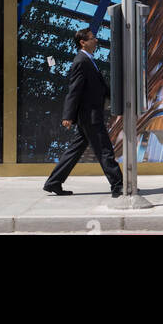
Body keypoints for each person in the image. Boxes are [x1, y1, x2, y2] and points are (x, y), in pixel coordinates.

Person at [43, 26, 123, 197]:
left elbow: (100, 87)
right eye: (92, 38)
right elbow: (75, 90)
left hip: (90, 114)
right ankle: (118, 186)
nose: (96, 40)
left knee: (75, 150)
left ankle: (53, 182)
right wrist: (68, 116)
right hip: (90, 115)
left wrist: (117, 101)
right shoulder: (81, 61)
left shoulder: (88, 60)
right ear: (83, 42)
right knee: (104, 150)